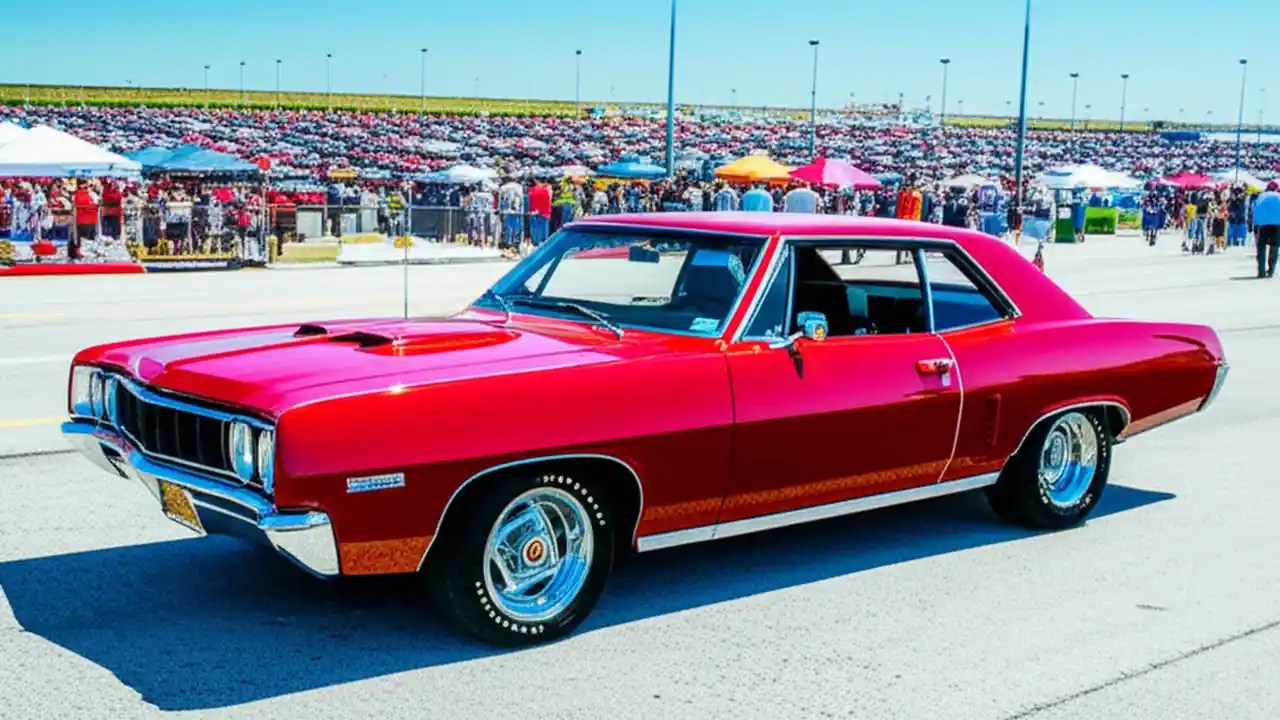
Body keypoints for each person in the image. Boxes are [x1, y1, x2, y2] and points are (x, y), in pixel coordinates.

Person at [1252, 182, 1280, 278]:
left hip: (1262, 224)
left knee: (1261, 247)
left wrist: (1255, 226)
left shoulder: (1261, 196)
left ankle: (1261, 271)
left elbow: (1255, 210)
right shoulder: (1279, 196)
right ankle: (1271, 270)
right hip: (1277, 224)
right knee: (1275, 246)